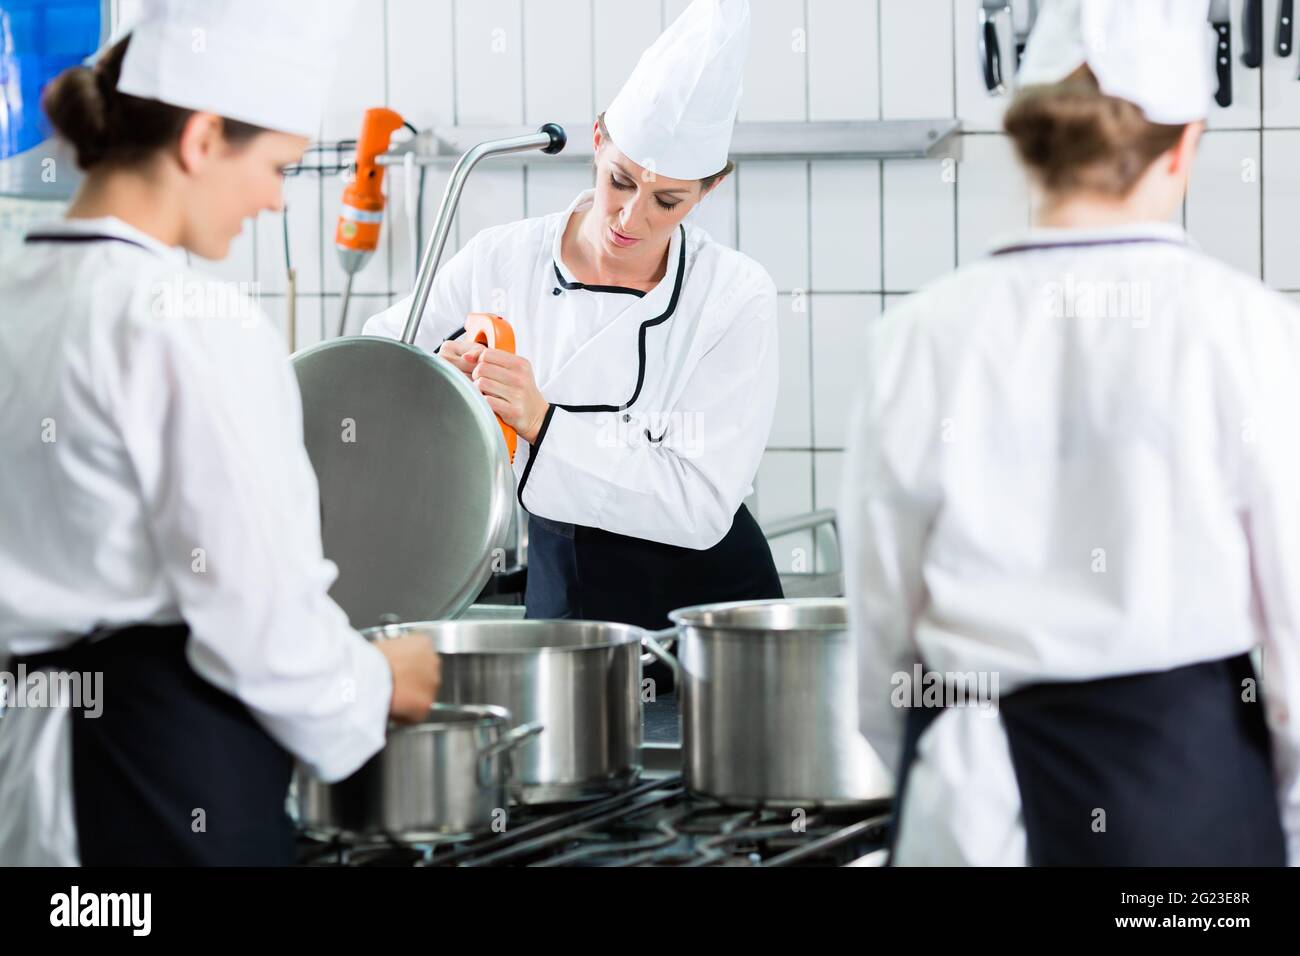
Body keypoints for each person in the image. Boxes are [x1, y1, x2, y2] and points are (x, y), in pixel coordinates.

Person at [843, 0, 1298, 866]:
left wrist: (933, 776)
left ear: (1026, 142)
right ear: (1187, 142)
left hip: (975, 809)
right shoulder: (1248, 331)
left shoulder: (917, 338)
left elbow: (882, 642)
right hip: (1191, 803)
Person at [0, 0, 440, 866]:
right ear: (201, 141)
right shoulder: (187, 323)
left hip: (32, 780)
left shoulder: (14, 284)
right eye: (276, 166)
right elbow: (258, 619)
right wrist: (379, 679)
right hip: (155, 784)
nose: (275, 200)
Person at [364, 0, 782, 655]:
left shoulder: (733, 295)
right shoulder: (500, 259)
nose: (631, 218)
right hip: (568, 595)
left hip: (712, 618)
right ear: (596, 138)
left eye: (667, 201)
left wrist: (542, 419)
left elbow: (699, 503)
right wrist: (441, 371)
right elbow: (380, 361)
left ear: (709, 188)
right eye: (620, 181)